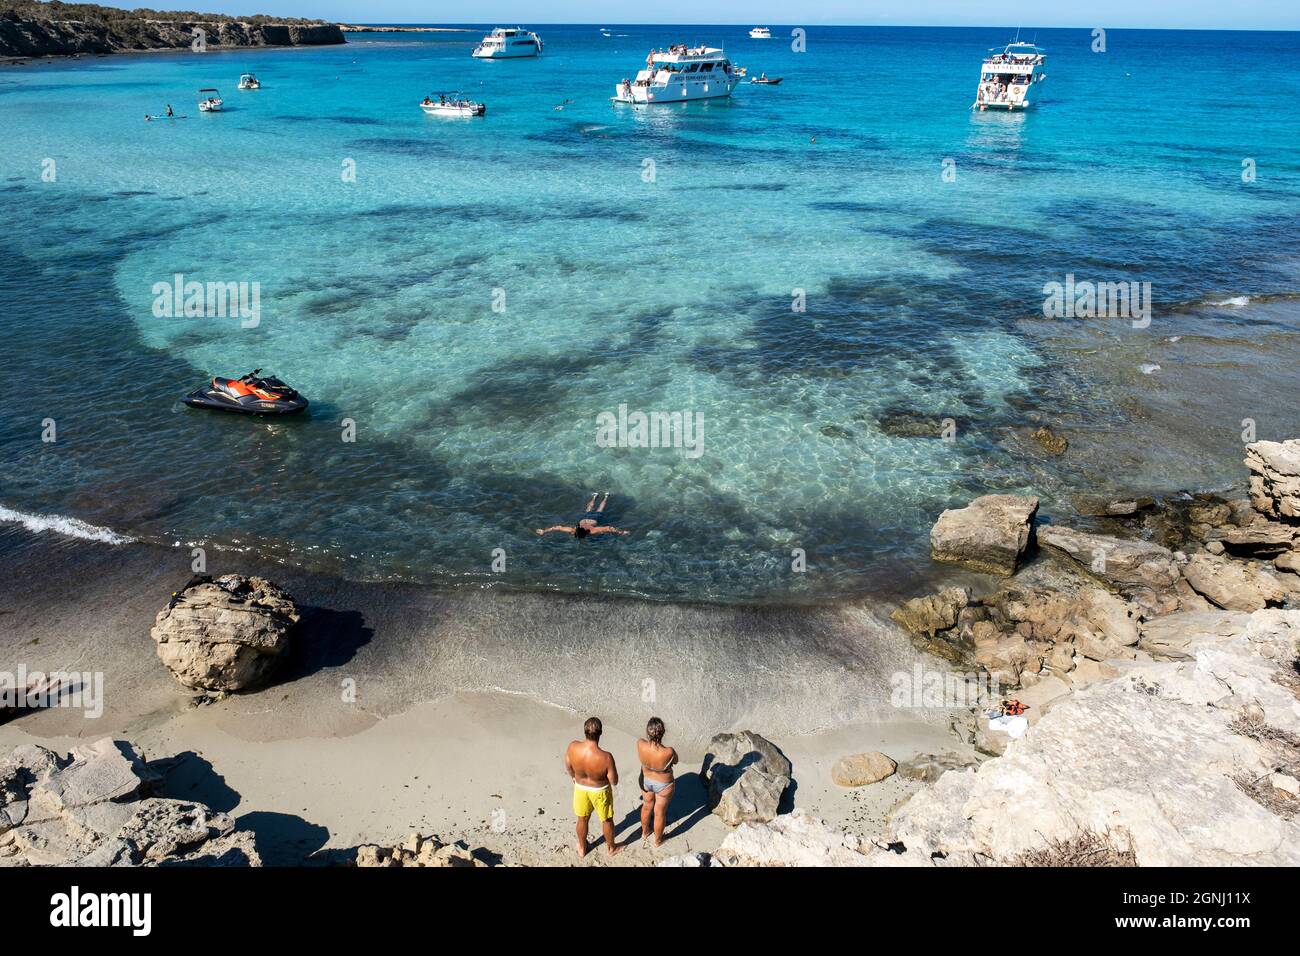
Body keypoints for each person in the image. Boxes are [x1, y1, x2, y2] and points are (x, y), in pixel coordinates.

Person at [565, 717, 621, 858]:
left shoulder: (573, 747)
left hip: (580, 788)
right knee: (606, 820)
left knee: (582, 819)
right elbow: (614, 781)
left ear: (584, 731)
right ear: (600, 733)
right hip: (600, 791)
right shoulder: (606, 757)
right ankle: (611, 848)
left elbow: (568, 766)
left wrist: (574, 777)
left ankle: (582, 848)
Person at [637, 717, 678, 848]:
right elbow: (675, 760)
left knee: (646, 806)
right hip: (663, 784)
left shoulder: (640, 743)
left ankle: (644, 832)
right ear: (663, 732)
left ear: (647, 732)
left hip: (646, 781)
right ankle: (658, 840)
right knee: (659, 812)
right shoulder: (668, 751)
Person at [535, 493, 630, 539]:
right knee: (589, 509)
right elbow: (558, 527)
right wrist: (544, 531)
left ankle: (603, 496)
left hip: (593, 518)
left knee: (598, 509)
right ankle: (599, 496)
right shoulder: (573, 530)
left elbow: (609, 528)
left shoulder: (592, 531)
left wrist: (622, 533)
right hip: (585, 518)